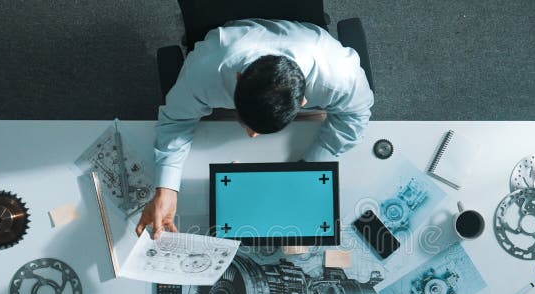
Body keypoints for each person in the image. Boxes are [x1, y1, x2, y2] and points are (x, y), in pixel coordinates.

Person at [136, 19, 374, 238]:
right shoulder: (205, 71)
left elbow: (356, 115)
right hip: (230, 32)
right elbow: (176, 120)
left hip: (311, 43)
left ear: (303, 103)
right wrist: (166, 187)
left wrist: (309, 167)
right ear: (238, 78)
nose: (251, 135)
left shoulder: (339, 77)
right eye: (245, 121)